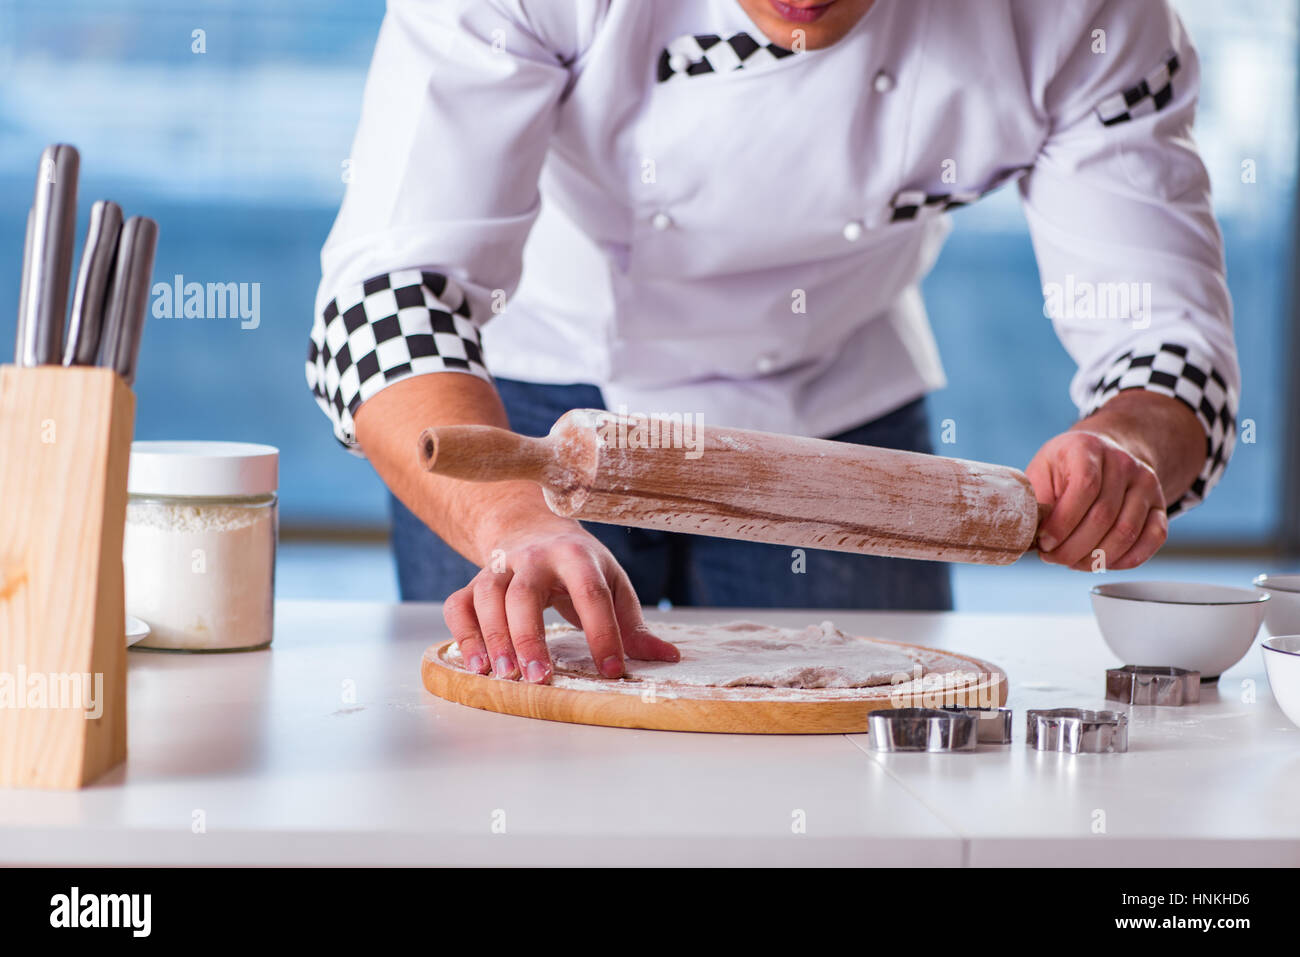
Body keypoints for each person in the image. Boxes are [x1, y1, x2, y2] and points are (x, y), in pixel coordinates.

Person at [307, 0, 1238, 684]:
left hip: (833, 412)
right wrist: (509, 519)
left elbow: (1166, 339)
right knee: (508, 786)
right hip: (522, 397)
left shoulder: (1087, 17)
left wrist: (1124, 447)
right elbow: (386, 295)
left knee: (867, 782)